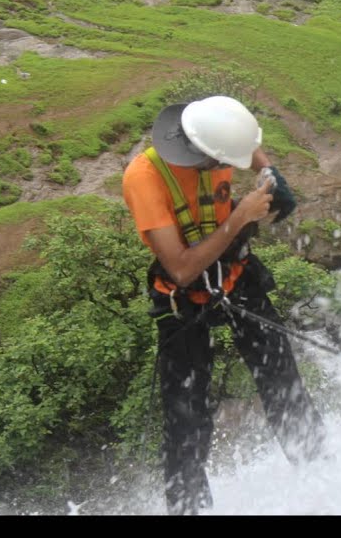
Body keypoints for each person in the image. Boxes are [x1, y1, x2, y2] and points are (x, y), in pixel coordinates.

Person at [122, 95, 325, 516]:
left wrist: (267, 171)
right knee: (186, 420)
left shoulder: (215, 129)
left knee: (283, 382)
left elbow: (244, 142)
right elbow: (180, 268)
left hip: (235, 272)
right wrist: (240, 217)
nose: (226, 167)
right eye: (221, 162)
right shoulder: (144, 178)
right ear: (201, 152)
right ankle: (189, 509)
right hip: (182, 297)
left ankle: (322, 474)